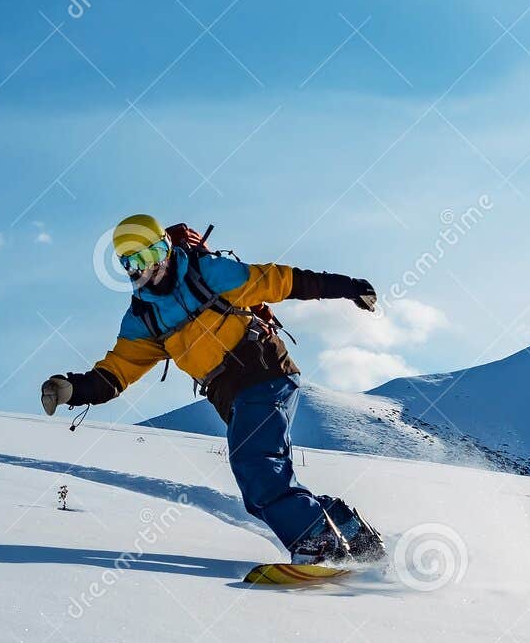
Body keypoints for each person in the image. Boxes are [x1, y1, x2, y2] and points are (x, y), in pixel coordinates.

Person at [40, 213, 384, 565]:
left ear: (168, 247)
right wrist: (71, 388)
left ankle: (316, 541)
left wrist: (348, 286)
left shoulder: (209, 273)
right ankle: (349, 530)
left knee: (256, 465)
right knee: (263, 479)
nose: (149, 267)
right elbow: (115, 372)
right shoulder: (144, 318)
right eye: (134, 262)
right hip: (231, 395)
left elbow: (282, 281)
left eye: (153, 253)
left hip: (262, 370)